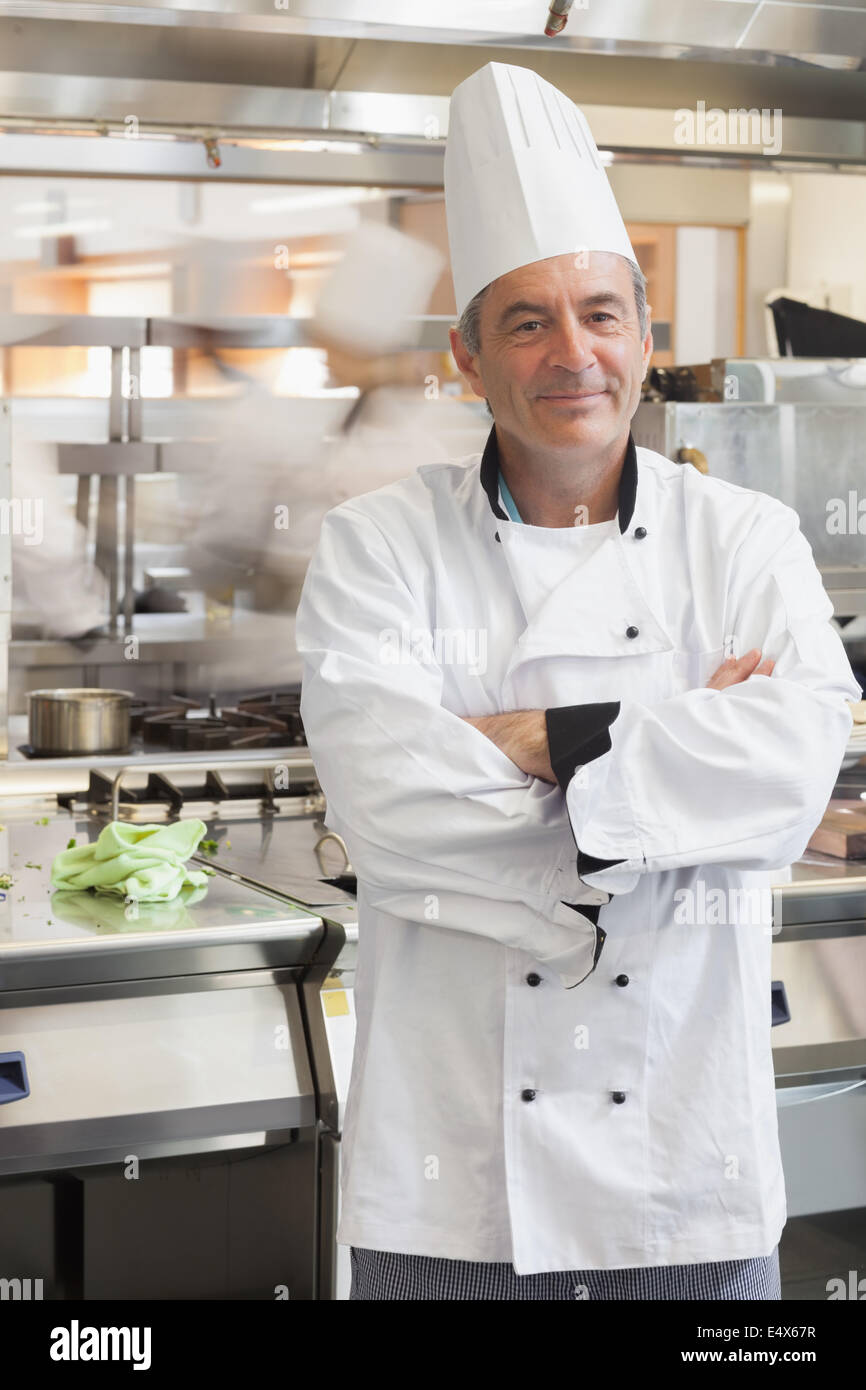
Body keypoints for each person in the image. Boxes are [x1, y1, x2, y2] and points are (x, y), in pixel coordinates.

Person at [295, 62, 862, 1301]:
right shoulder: (376, 545)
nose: (573, 355)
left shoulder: (745, 537)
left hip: (685, 1181)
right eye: (527, 320)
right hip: (450, 1192)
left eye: (601, 314)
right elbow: (392, 807)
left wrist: (532, 741)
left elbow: (786, 770)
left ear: (645, 338)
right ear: (466, 354)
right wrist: (669, 772)